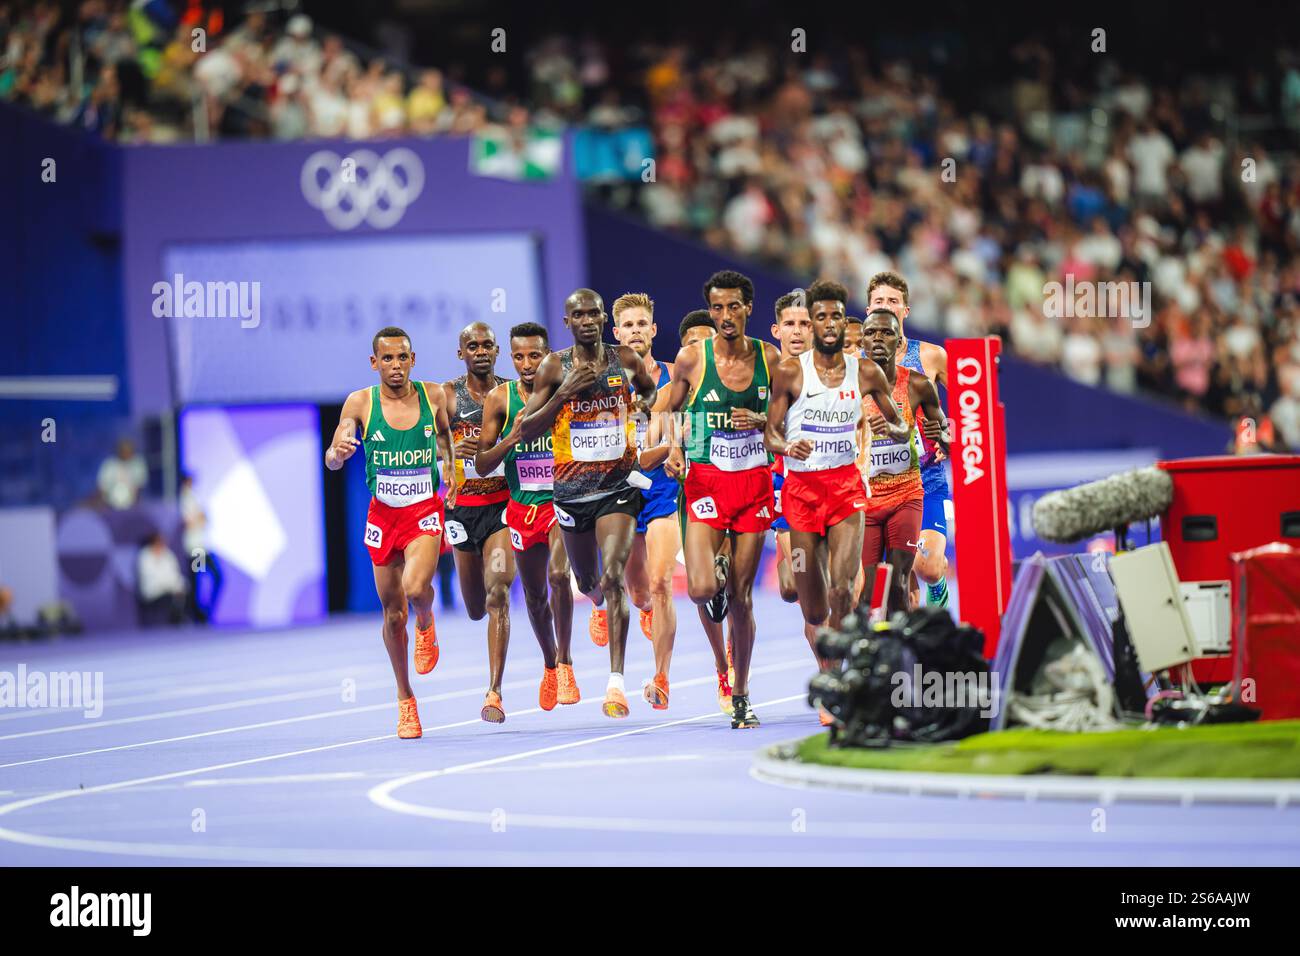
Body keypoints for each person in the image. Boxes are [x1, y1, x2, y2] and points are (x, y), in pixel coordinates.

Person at [765, 282, 907, 723]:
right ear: (811, 322)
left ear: (846, 321)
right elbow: (770, 433)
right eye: (819, 318)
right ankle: (832, 663)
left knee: (845, 589)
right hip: (803, 493)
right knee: (814, 606)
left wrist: (896, 430)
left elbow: (900, 424)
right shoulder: (790, 372)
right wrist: (787, 449)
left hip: (846, 490)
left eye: (834, 317)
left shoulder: (865, 372)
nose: (827, 326)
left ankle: (834, 682)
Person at [514, 289, 658, 718]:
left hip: (618, 487)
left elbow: (649, 392)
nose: (588, 320)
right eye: (579, 315)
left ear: (601, 318)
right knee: (588, 579)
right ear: (568, 322)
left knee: (615, 576)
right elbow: (525, 430)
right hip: (572, 495)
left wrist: (640, 412)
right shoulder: (553, 367)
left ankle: (615, 684)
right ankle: (594, 603)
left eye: (594, 313)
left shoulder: (625, 360)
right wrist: (563, 395)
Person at [325, 326, 455, 740]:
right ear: (374, 362)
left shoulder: (433, 395)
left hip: (423, 512)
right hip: (383, 516)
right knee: (392, 613)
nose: (395, 366)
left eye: (403, 358)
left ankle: (427, 621)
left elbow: (448, 440)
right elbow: (334, 453)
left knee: (416, 589)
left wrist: (450, 469)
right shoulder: (360, 402)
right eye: (387, 359)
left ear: (412, 360)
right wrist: (337, 452)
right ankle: (405, 700)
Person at [664, 270, 778, 729]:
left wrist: (763, 421)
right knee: (700, 588)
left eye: (734, 307)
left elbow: (785, 425)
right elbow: (668, 411)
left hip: (752, 486)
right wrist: (673, 448)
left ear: (749, 308)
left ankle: (742, 694)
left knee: (743, 599)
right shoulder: (692, 359)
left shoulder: (771, 359)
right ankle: (717, 574)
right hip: (706, 484)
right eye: (717, 308)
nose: (726, 316)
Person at [474, 322, 579, 712]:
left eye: (535, 355)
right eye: (518, 356)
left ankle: (566, 662)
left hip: (561, 502)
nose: (527, 363)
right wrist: (512, 438)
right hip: (520, 508)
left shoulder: (564, 391)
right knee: (534, 598)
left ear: (548, 355)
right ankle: (549, 665)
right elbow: (483, 464)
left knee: (557, 575)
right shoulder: (500, 400)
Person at [441, 322, 516, 723]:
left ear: (497, 350)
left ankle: (494, 692)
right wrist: (453, 449)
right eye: (473, 345)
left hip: (502, 506)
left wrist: (495, 448)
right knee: (474, 608)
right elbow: (427, 442)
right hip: (461, 509)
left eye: (488, 344)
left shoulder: (509, 394)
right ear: (461, 353)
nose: (481, 351)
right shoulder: (447, 397)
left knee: (498, 594)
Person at [611, 292, 680, 709]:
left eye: (643, 324)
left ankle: (661, 678)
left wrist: (674, 447)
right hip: (622, 492)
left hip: (661, 494)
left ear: (653, 330)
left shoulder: (675, 375)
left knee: (660, 584)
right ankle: (642, 610)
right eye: (628, 325)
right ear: (616, 333)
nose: (636, 331)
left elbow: (682, 431)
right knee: (638, 594)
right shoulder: (605, 381)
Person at [867, 271, 953, 608]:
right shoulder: (859, 363)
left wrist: (947, 435)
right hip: (878, 485)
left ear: (905, 310)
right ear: (869, 309)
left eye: (892, 301)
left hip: (926, 480)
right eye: (878, 301)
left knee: (927, 567)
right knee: (896, 582)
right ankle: (912, 644)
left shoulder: (931, 356)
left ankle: (938, 585)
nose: (885, 306)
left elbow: (971, 403)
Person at [677, 310, 738, 715]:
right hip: (694, 491)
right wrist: (671, 449)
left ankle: (737, 666)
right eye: (691, 342)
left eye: (706, 340)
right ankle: (720, 665)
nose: (699, 348)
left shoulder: (735, 378)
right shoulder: (679, 388)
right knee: (705, 589)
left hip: (736, 484)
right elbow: (661, 438)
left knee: (735, 584)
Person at [179, 473, 222, 624]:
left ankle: (203, 612)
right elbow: (190, 522)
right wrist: (199, 518)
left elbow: (204, 518)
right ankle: (197, 615)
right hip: (195, 548)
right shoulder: (183, 499)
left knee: (214, 577)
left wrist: (200, 518)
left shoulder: (194, 497)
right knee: (198, 580)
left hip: (203, 546)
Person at [136, 531, 187, 627]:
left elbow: (174, 574)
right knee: (170, 597)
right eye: (159, 541)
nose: (162, 544)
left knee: (184, 591)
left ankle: (180, 621)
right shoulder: (145, 556)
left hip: (170, 588)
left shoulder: (168, 554)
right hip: (153, 591)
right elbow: (150, 577)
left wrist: (178, 586)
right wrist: (168, 587)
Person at [98, 438, 148, 510]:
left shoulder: (138, 464)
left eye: (128, 451)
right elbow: (103, 487)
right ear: (119, 451)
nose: (126, 453)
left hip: (132, 501)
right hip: (111, 501)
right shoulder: (109, 465)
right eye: (124, 451)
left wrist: (132, 500)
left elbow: (139, 486)